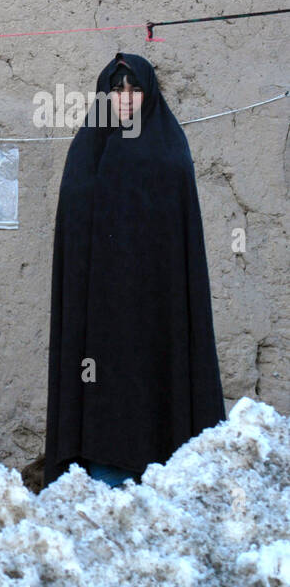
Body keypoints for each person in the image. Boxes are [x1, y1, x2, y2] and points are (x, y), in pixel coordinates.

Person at [45, 53, 225, 488]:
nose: (124, 98)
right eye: (116, 88)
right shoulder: (87, 149)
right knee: (98, 386)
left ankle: (158, 475)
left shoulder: (168, 151)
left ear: (149, 94)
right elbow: (72, 232)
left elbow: (177, 242)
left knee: (151, 384)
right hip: (97, 313)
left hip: (152, 309)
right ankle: (98, 475)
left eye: (134, 88)